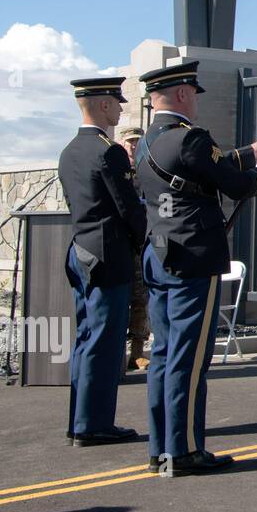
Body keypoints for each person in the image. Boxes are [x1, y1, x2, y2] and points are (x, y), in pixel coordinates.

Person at [135, 60, 257, 476]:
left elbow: (212, 164)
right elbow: (232, 182)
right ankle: (184, 451)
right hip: (192, 257)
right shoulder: (191, 138)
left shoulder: (148, 141)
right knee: (190, 357)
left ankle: (162, 447)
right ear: (183, 94)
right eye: (194, 94)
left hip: (160, 253)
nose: (197, 102)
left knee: (165, 354)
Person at [58, 78, 146, 446]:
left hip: (81, 250)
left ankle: (80, 419)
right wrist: (147, 241)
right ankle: (93, 426)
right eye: (116, 101)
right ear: (103, 106)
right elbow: (128, 209)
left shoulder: (70, 150)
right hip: (108, 256)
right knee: (105, 343)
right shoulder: (107, 151)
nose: (120, 108)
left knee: (85, 338)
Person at [117, 126, 150, 372]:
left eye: (136, 142)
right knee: (119, 300)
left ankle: (137, 352)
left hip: (141, 243)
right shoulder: (115, 168)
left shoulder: (147, 169)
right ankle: (116, 353)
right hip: (118, 243)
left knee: (140, 299)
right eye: (129, 142)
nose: (132, 146)